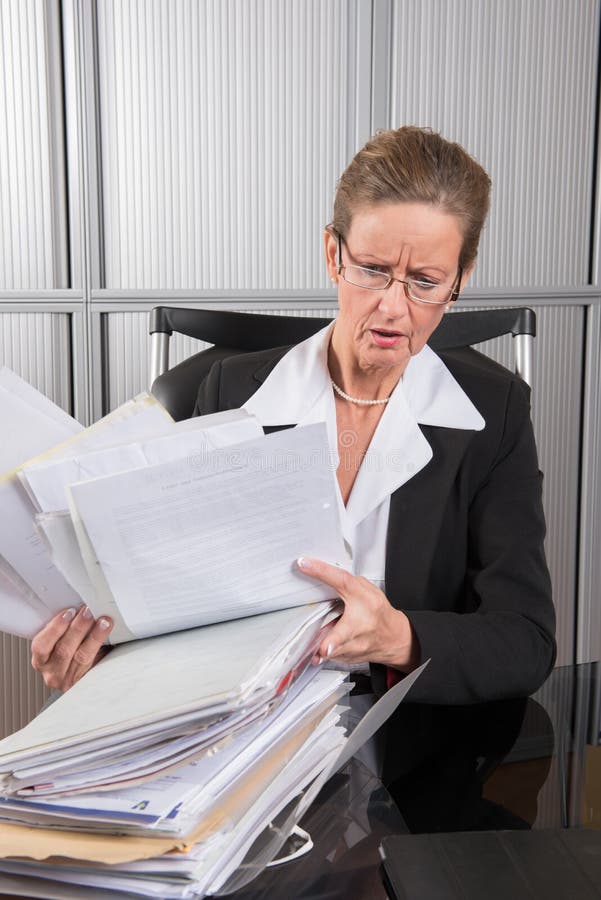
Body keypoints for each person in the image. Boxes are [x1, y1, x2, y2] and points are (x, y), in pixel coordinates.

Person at [31, 127, 556, 722]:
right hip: (247, 723)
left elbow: (526, 641)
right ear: (333, 254)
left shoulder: (495, 412)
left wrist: (400, 638)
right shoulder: (229, 391)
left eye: (425, 282)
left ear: (459, 279)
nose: (392, 305)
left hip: (413, 741)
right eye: (373, 269)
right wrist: (96, 659)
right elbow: (176, 603)